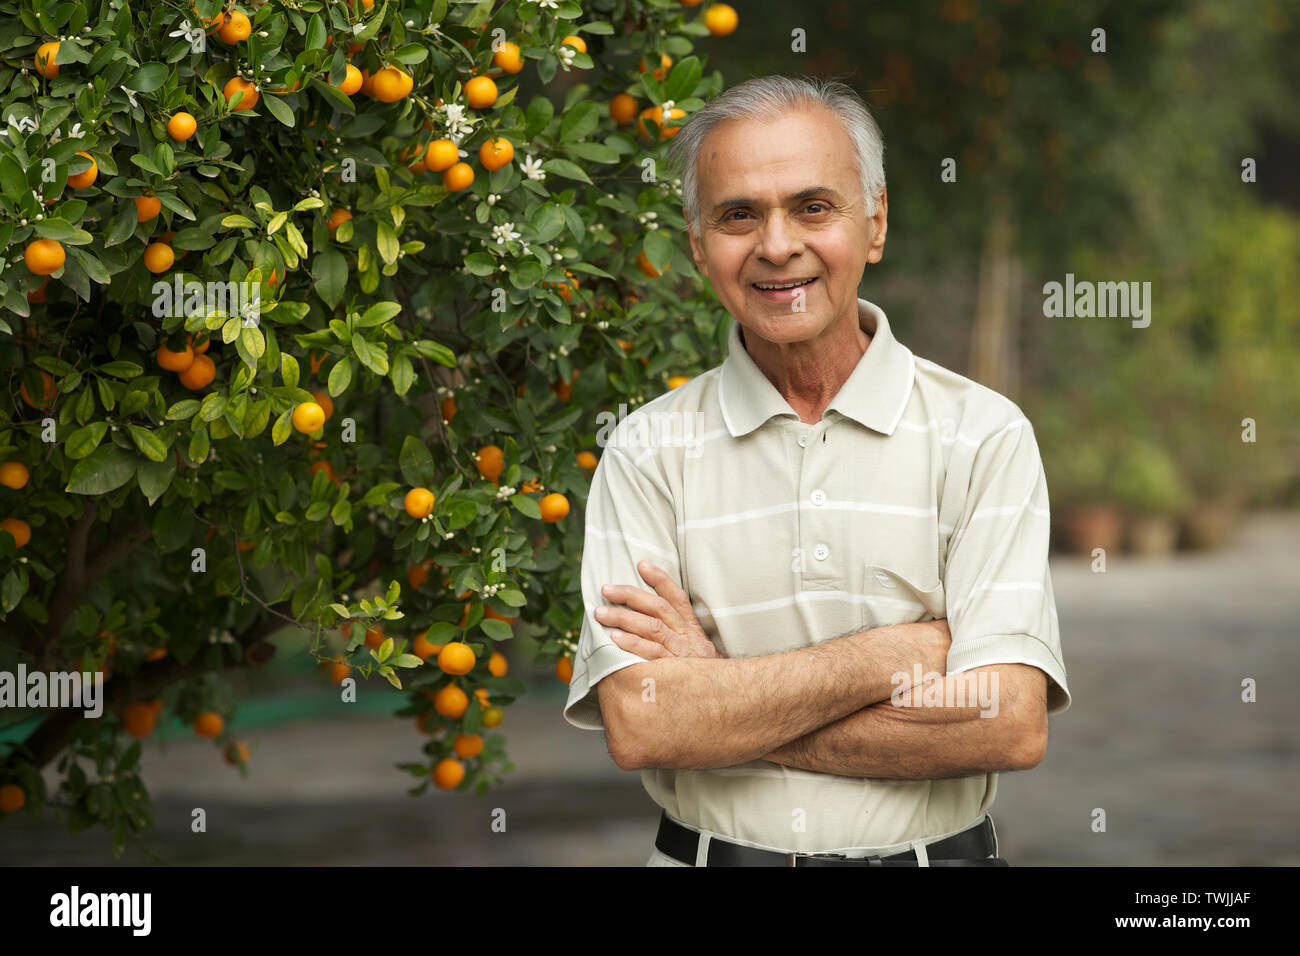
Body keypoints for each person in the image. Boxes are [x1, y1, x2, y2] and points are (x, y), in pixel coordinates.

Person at [562, 75, 1070, 867]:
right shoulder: (644, 449)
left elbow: (1005, 723)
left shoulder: (983, 435)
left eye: (813, 207)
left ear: (876, 222)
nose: (775, 245)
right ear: (698, 246)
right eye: (738, 215)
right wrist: (888, 657)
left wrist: (722, 696)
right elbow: (646, 724)